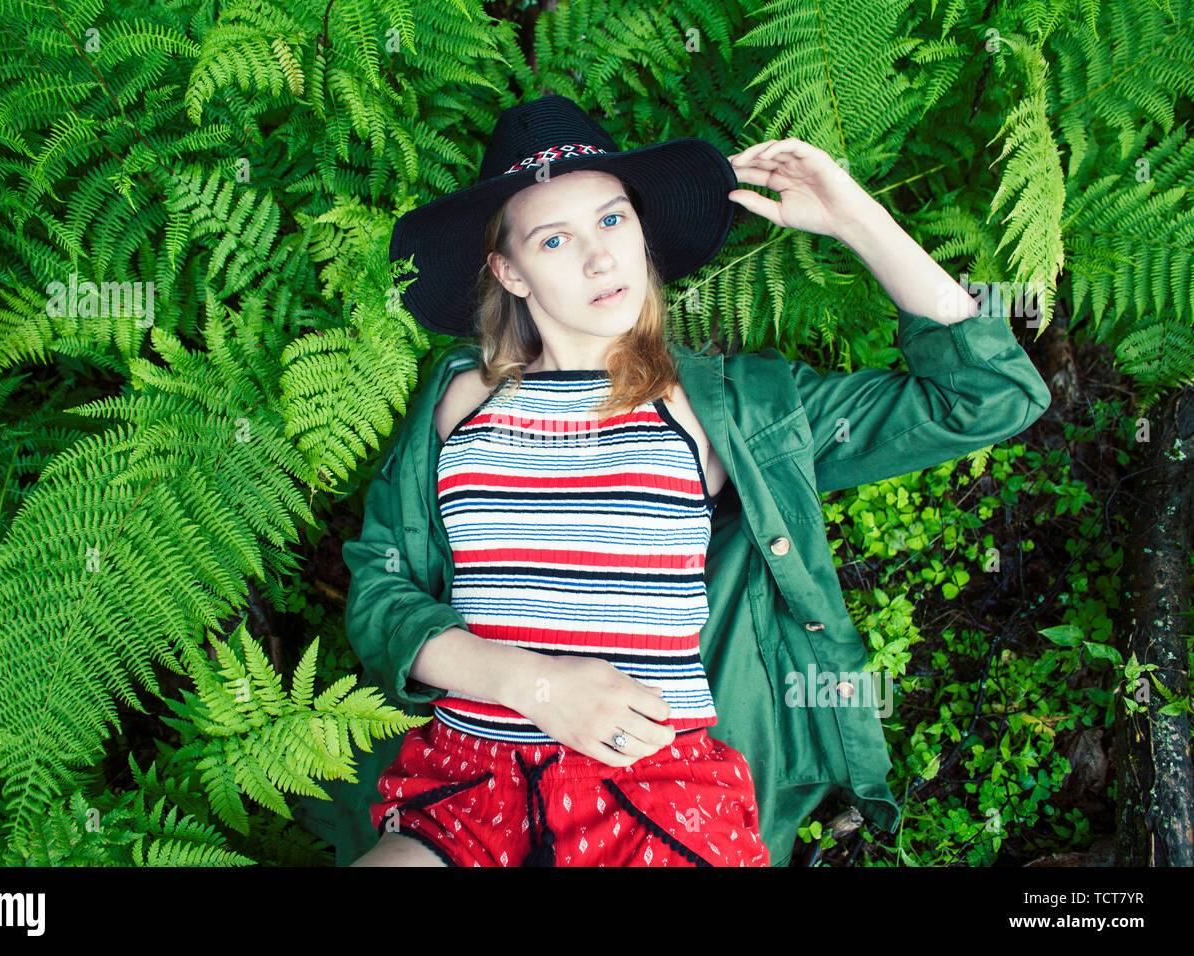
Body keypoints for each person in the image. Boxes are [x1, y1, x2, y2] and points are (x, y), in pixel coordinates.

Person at [337, 94, 1051, 866]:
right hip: (466, 784)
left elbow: (989, 396)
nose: (600, 257)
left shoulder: (725, 409)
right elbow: (380, 595)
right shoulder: (457, 402)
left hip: (651, 788)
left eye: (613, 220)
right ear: (508, 271)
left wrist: (857, 218)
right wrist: (538, 686)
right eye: (554, 239)